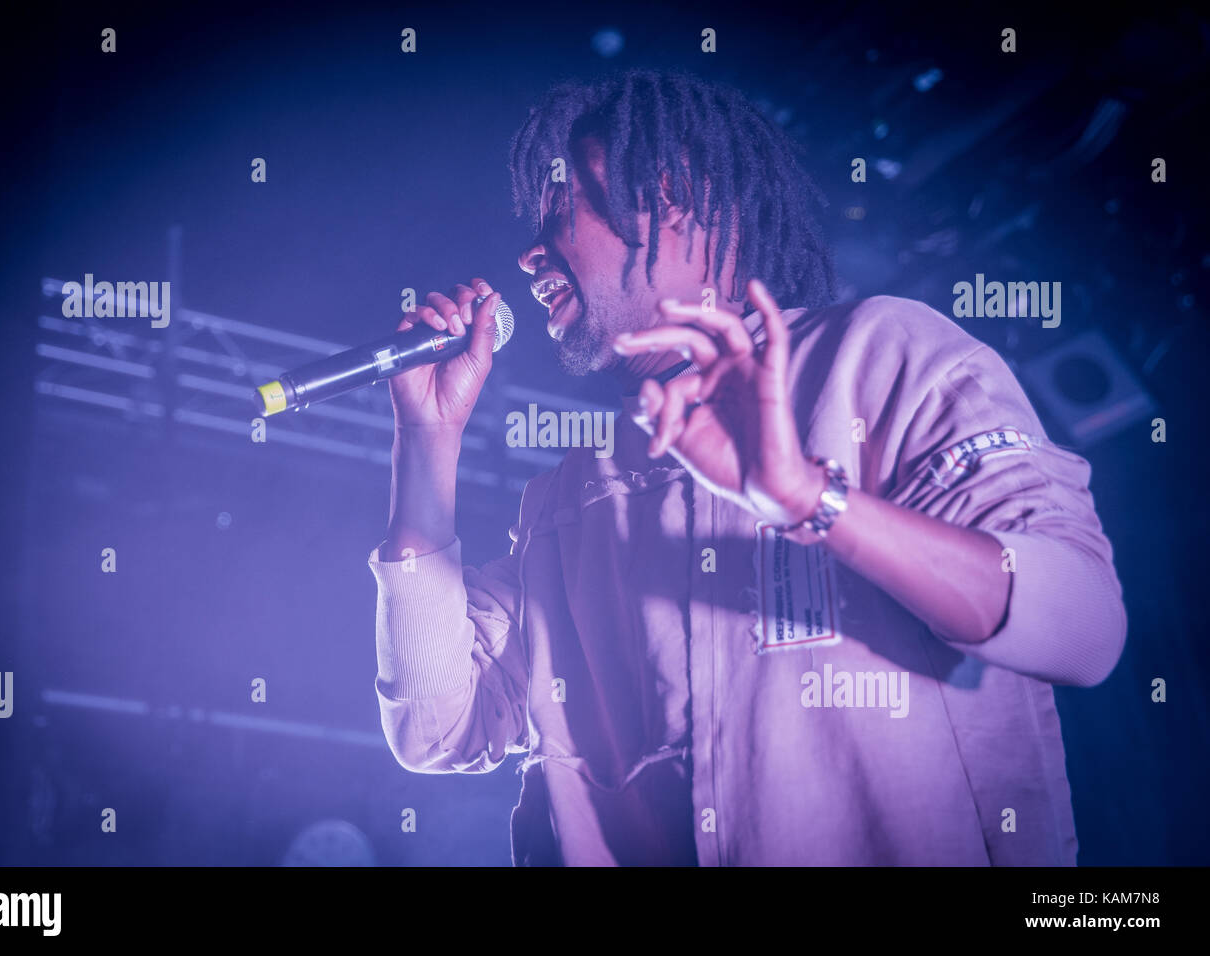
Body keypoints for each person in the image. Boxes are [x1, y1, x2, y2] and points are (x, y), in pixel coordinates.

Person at [367, 69, 1126, 866]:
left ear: (674, 193)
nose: (529, 252)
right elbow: (437, 729)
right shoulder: (566, 499)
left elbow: (1083, 631)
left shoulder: (880, 355)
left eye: (562, 207)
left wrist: (811, 499)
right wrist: (426, 441)